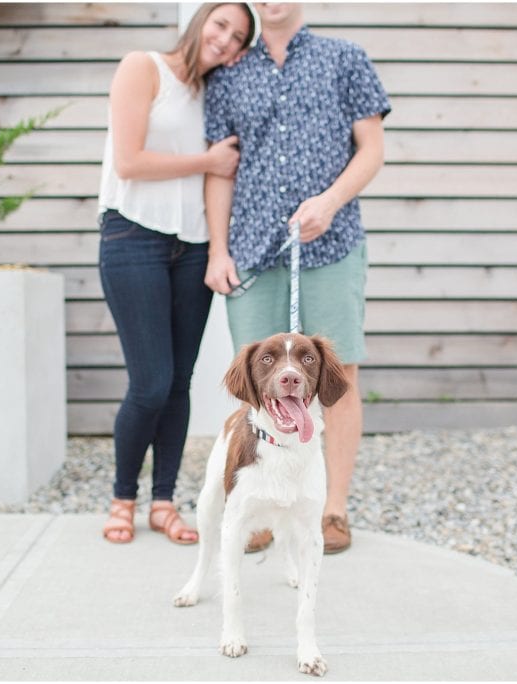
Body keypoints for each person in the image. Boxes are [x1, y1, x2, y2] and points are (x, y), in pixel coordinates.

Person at [203, 3, 390, 554]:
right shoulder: (230, 74)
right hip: (255, 253)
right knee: (257, 382)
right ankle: (258, 507)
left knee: (339, 376)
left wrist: (330, 203)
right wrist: (218, 249)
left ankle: (333, 509)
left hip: (332, 246)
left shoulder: (345, 60)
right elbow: (221, 170)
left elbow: (373, 149)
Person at [98, 3, 256, 545]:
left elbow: (225, 176)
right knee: (150, 382)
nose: (225, 41)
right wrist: (205, 161)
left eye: (237, 39)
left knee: (179, 384)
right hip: (133, 235)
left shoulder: (215, 96)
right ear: (199, 21)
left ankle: (163, 502)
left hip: (190, 248)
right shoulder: (142, 67)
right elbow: (129, 162)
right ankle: (123, 499)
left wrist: (218, 248)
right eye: (220, 26)